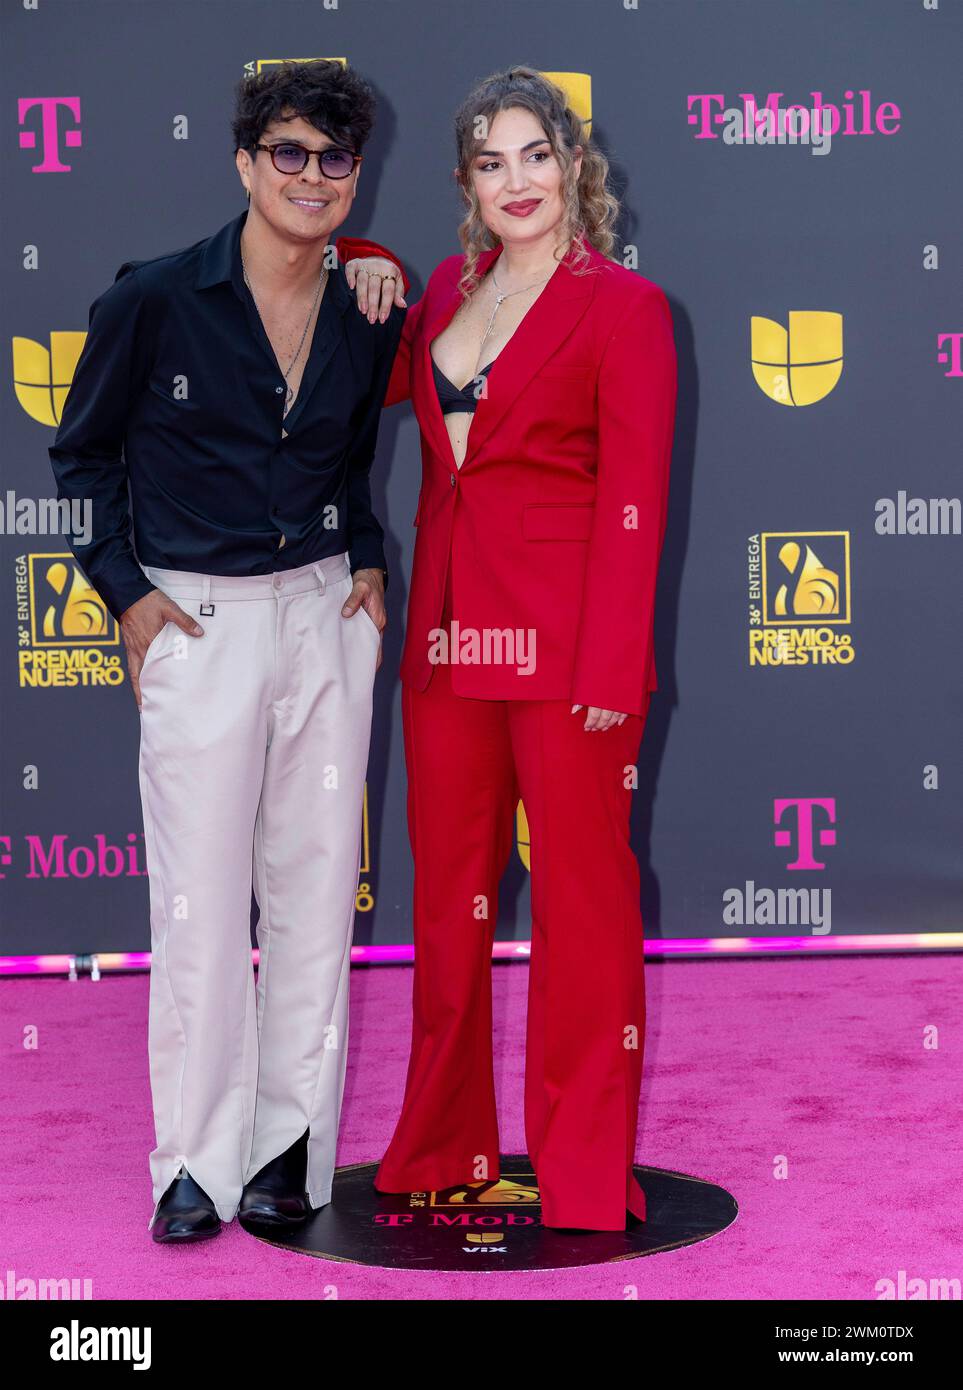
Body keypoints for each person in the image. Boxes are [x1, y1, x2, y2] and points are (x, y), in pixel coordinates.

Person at [48, 60, 408, 1243]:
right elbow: (83, 454)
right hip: (195, 622)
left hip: (321, 619)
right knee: (200, 906)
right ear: (247, 163)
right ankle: (192, 1165)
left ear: (356, 175)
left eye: (334, 158)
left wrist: (362, 555)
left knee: (313, 894)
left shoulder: (369, 307)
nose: (312, 177)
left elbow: (352, 463)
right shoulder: (152, 300)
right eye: (290, 153)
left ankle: (286, 1156)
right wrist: (125, 596)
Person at [348, 66, 678, 1231]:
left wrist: (608, 671)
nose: (517, 180)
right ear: (467, 184)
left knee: (584, 914)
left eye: (536, 154)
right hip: (447, 640)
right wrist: (357, 261)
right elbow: (368, 372)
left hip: (566, 651)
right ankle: (441, 1143)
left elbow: (636, 505)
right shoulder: (446, 287)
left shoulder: (626, 310)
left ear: (575, 165)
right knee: (448, 909)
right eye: (492, 162)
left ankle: (585, 1170)